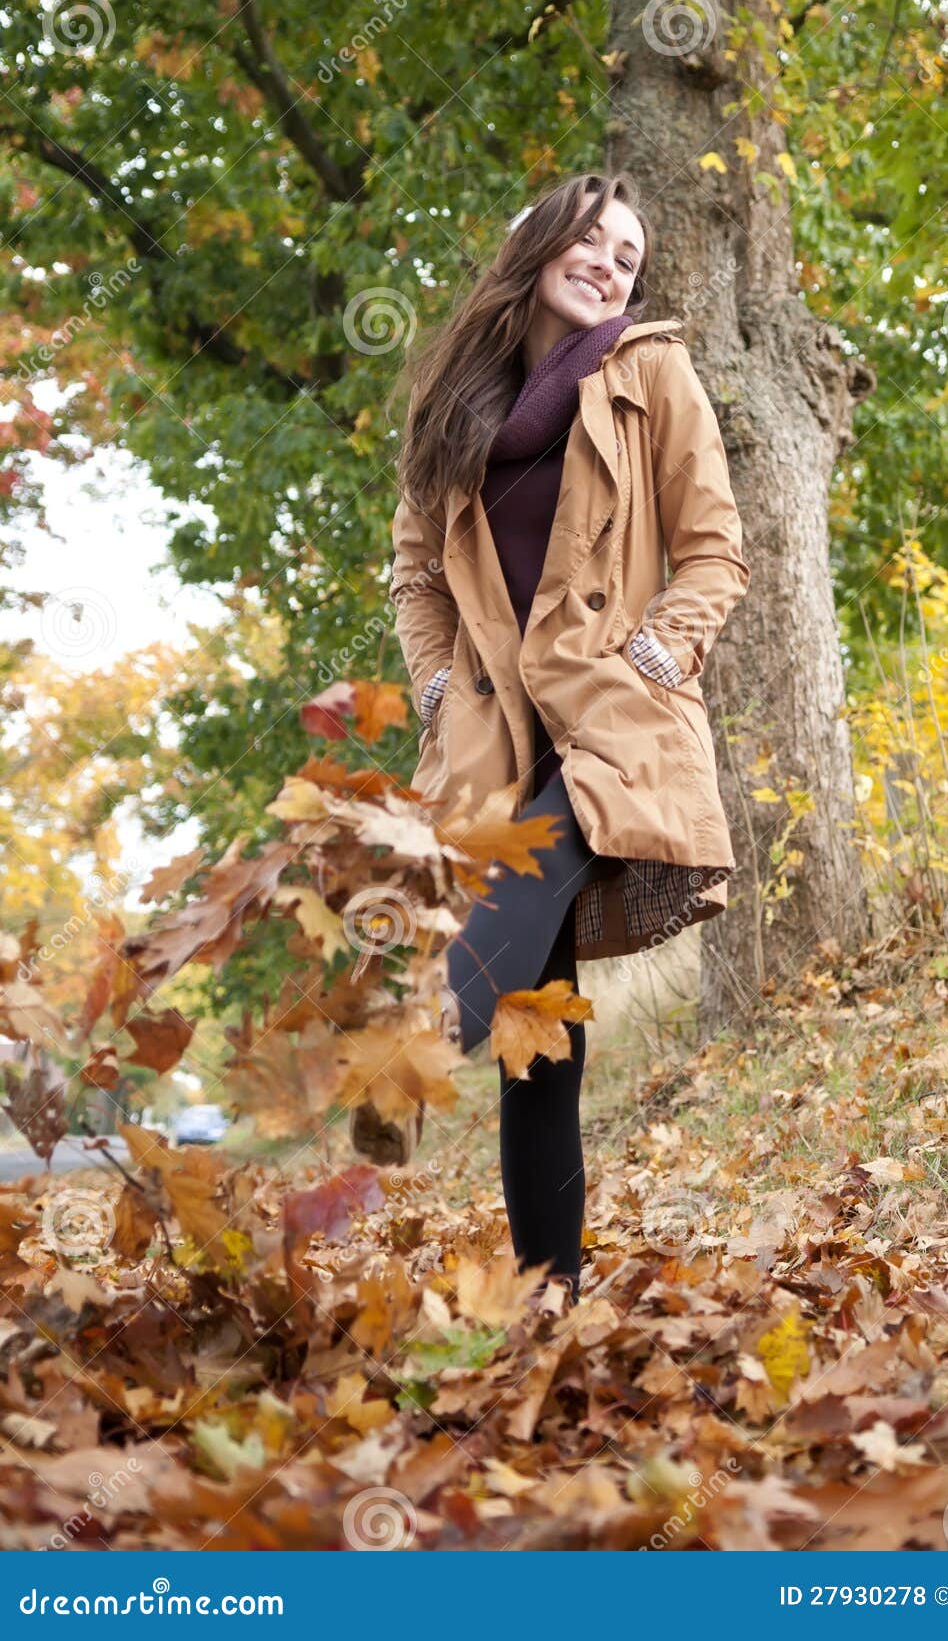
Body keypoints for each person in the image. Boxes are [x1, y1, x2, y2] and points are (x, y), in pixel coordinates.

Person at [351, 171, 750, 1306]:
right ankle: (551, 1296)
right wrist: (434, 685)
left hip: (610, 714)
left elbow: (714, 547)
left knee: (529, 879)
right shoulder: (456, 407)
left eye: (629, 255)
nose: (611, 264)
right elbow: (415, 571)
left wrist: (664, 650)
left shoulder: (650, 373)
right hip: (492, 733)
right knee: (543, 1033)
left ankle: (419, 1041)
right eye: (591, 240)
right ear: (537, 248)